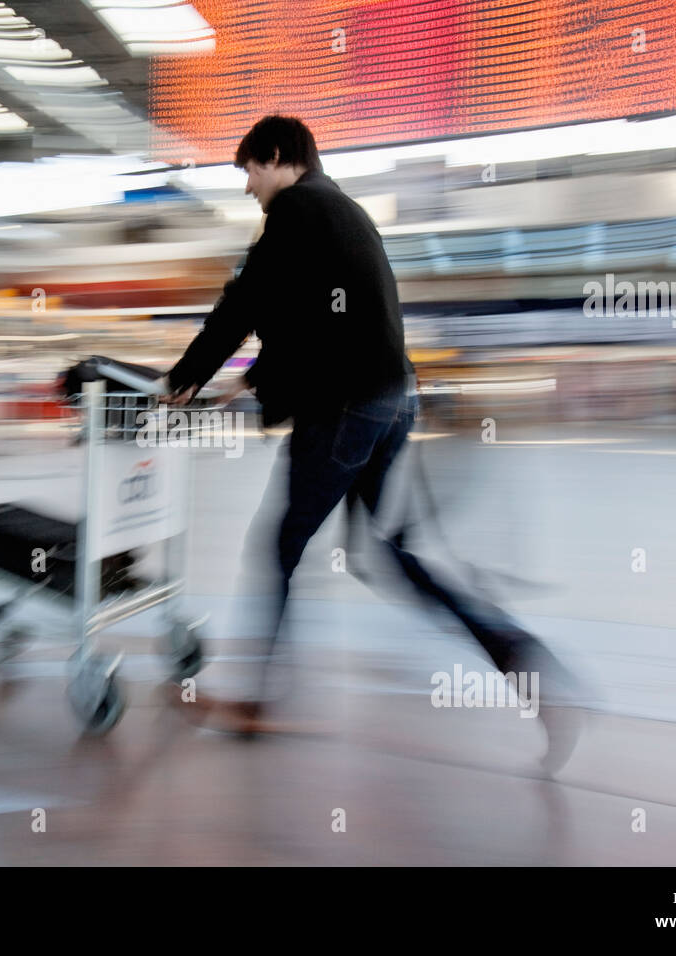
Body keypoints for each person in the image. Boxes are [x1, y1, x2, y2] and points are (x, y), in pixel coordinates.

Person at [157, 116, 584, 774]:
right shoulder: (344, 212)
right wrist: (249, 385)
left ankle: (253, 698)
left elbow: (243, 305)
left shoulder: (298, 208)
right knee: (389, 556)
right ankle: (531, 668)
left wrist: (182, 380)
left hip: (347, 409)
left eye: (248, 170)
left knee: (278, 546)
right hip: (389, 401)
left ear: (276, 157)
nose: (247, 188)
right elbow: (309, 321)